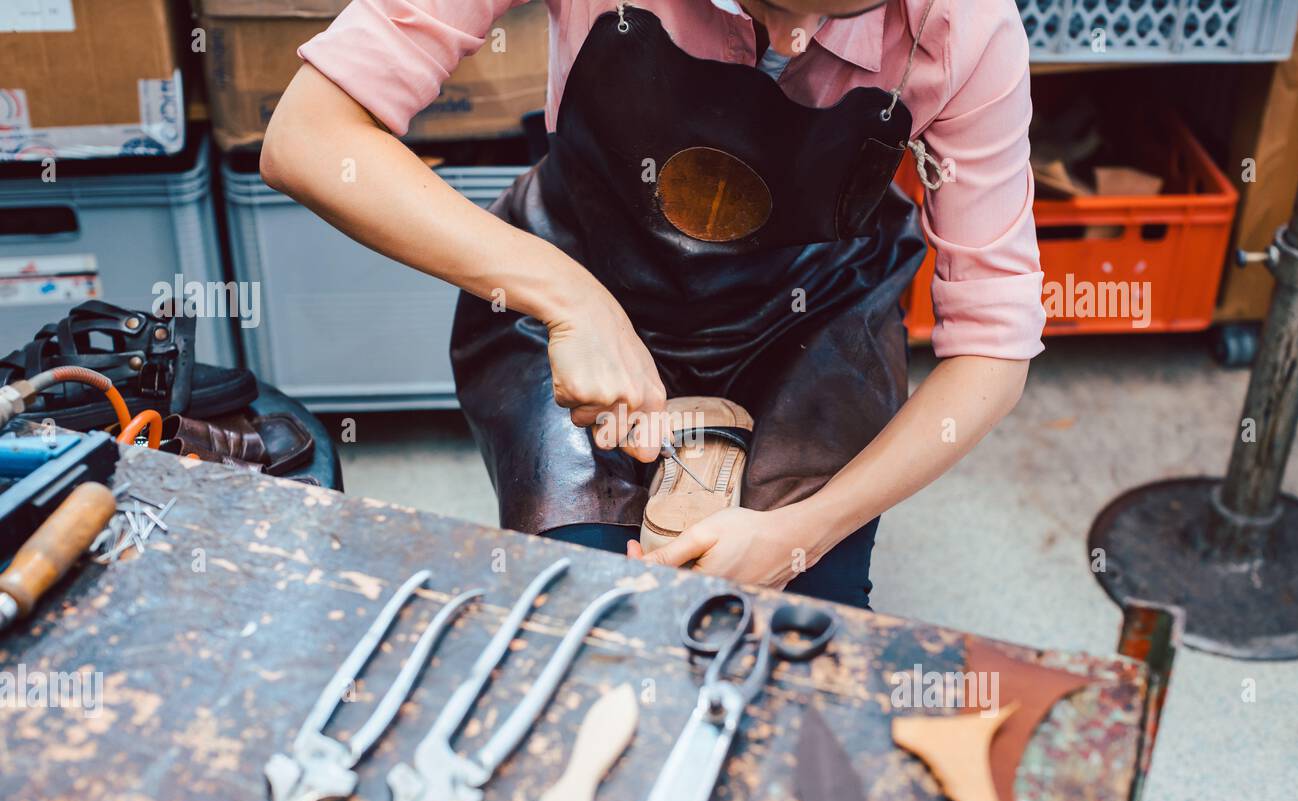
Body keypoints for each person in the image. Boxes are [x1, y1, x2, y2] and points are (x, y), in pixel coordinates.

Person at [261, 0, 1045, 609]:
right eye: (767, 4)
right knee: (585, 605)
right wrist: (565, 296)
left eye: (837, 13)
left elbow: (995, 348)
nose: (794, 43)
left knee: (805, 622)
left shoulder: (965, 27)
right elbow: (309, 137)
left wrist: (799, 535)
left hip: (814, 319)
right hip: (582, 267)